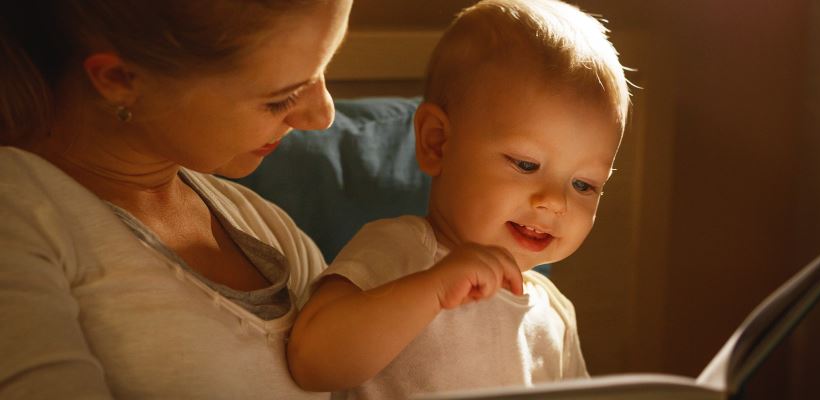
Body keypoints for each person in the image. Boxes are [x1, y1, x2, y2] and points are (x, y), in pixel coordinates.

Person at [0, 0, 352, 398]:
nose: (323, 116)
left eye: (323, 69)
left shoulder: (265, 227)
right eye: (280, 98)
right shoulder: (21, 214)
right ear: (119, 79)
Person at [286, 0, 631, 398]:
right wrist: (432, 289)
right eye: (525, 164)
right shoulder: (403, 250)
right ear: (437, 142)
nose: (556, 201)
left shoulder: (555, 315)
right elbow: (311, 362)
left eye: (584, 185)